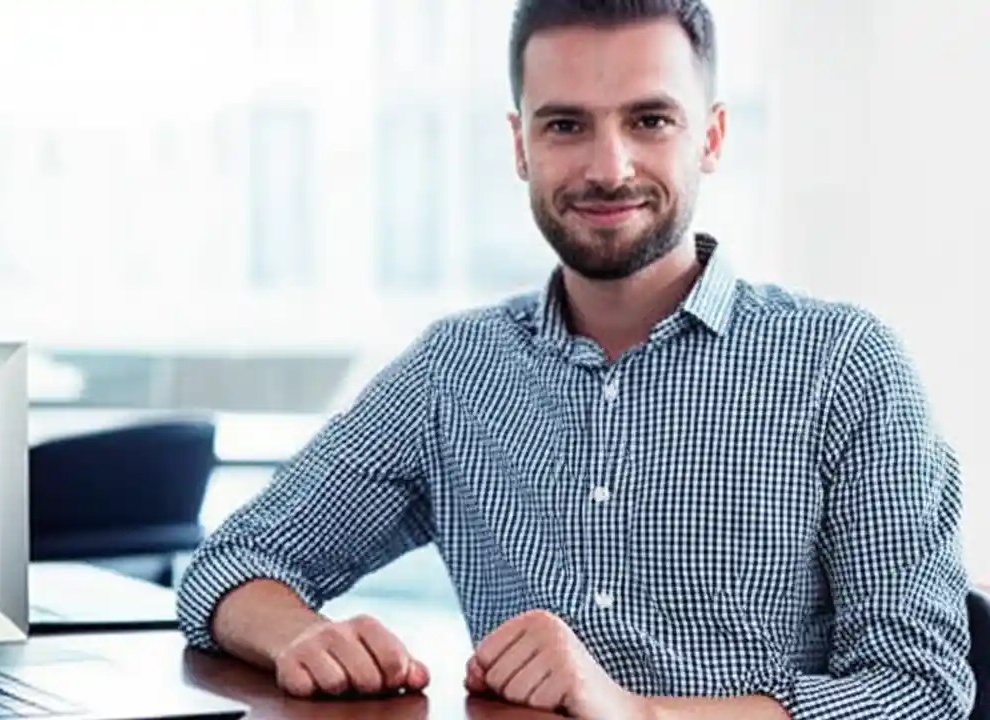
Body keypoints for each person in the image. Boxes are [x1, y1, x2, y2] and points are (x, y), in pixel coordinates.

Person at [175, 1, 974, 718]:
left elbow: (919, 690)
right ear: (520, 145)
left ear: (713, 137)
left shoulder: (846, 365)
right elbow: (233, 561)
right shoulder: (455, 370)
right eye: (565, 125)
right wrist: (301, 638)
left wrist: (636, 714)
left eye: (650, 120)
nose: (607, 167)